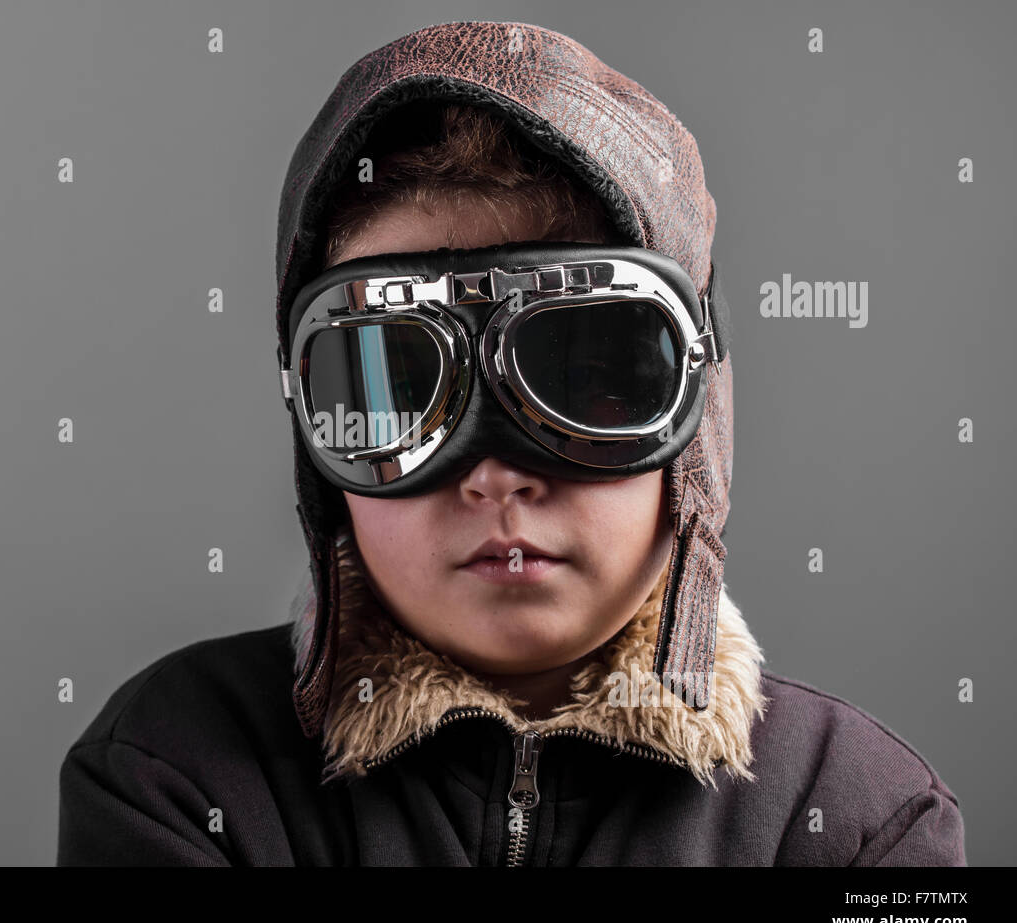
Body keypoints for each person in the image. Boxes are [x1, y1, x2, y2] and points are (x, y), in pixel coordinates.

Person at [56, 20, 965, 866]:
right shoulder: (176, 771)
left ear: (699, 413)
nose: (496, 478)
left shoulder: (857, 818)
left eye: (590, 376)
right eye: (400, 391)